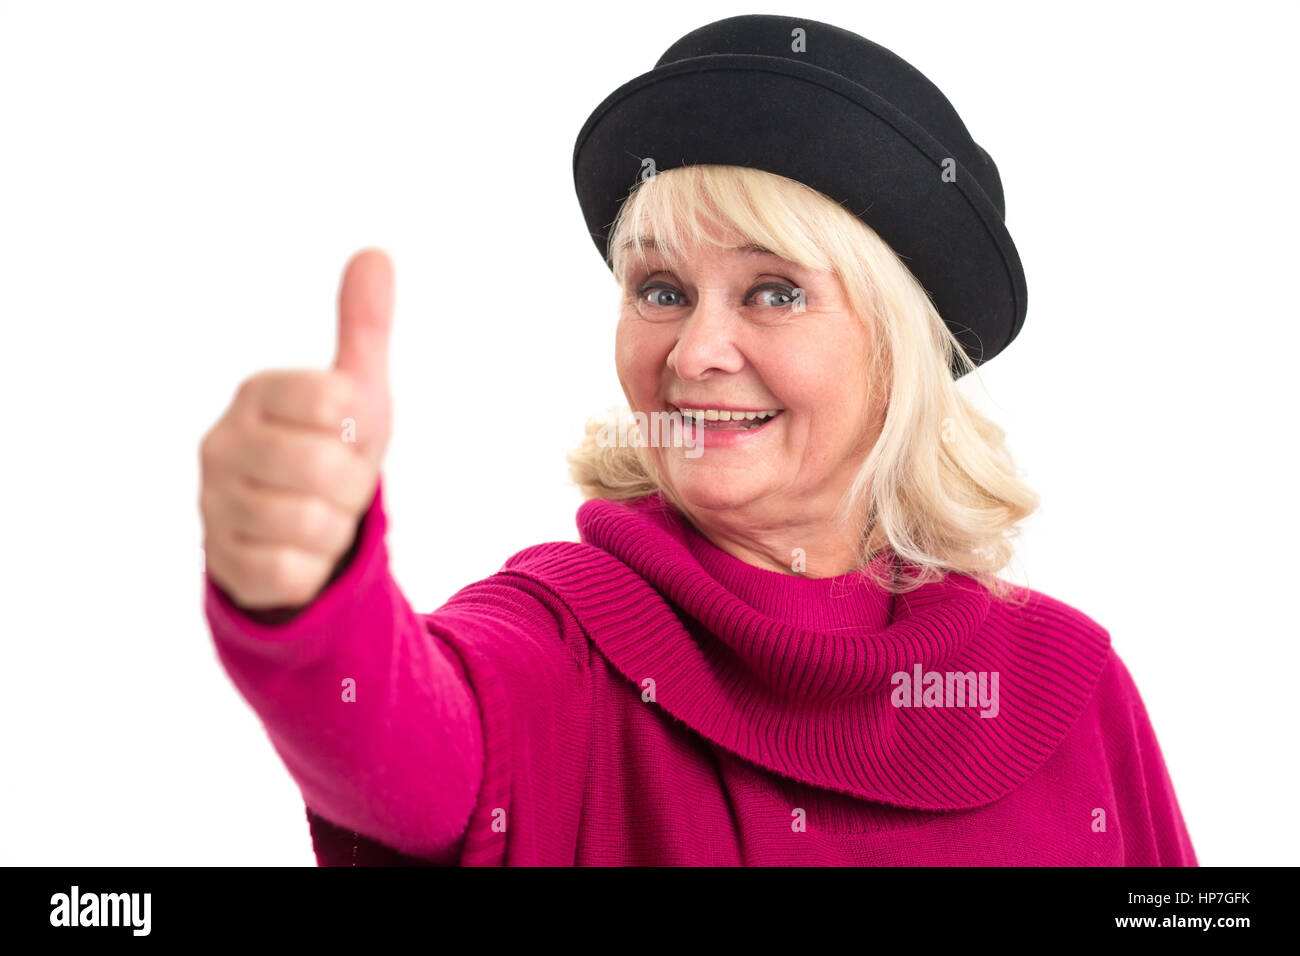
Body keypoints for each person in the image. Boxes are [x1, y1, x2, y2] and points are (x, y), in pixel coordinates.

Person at [199, 15, 1197, 866]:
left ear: (897, 352)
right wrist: (313, 591)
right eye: (661, 291)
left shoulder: (1069, 683)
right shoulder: (566, 640)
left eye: (772, 291)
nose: (693, 353)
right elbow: (410, 749)